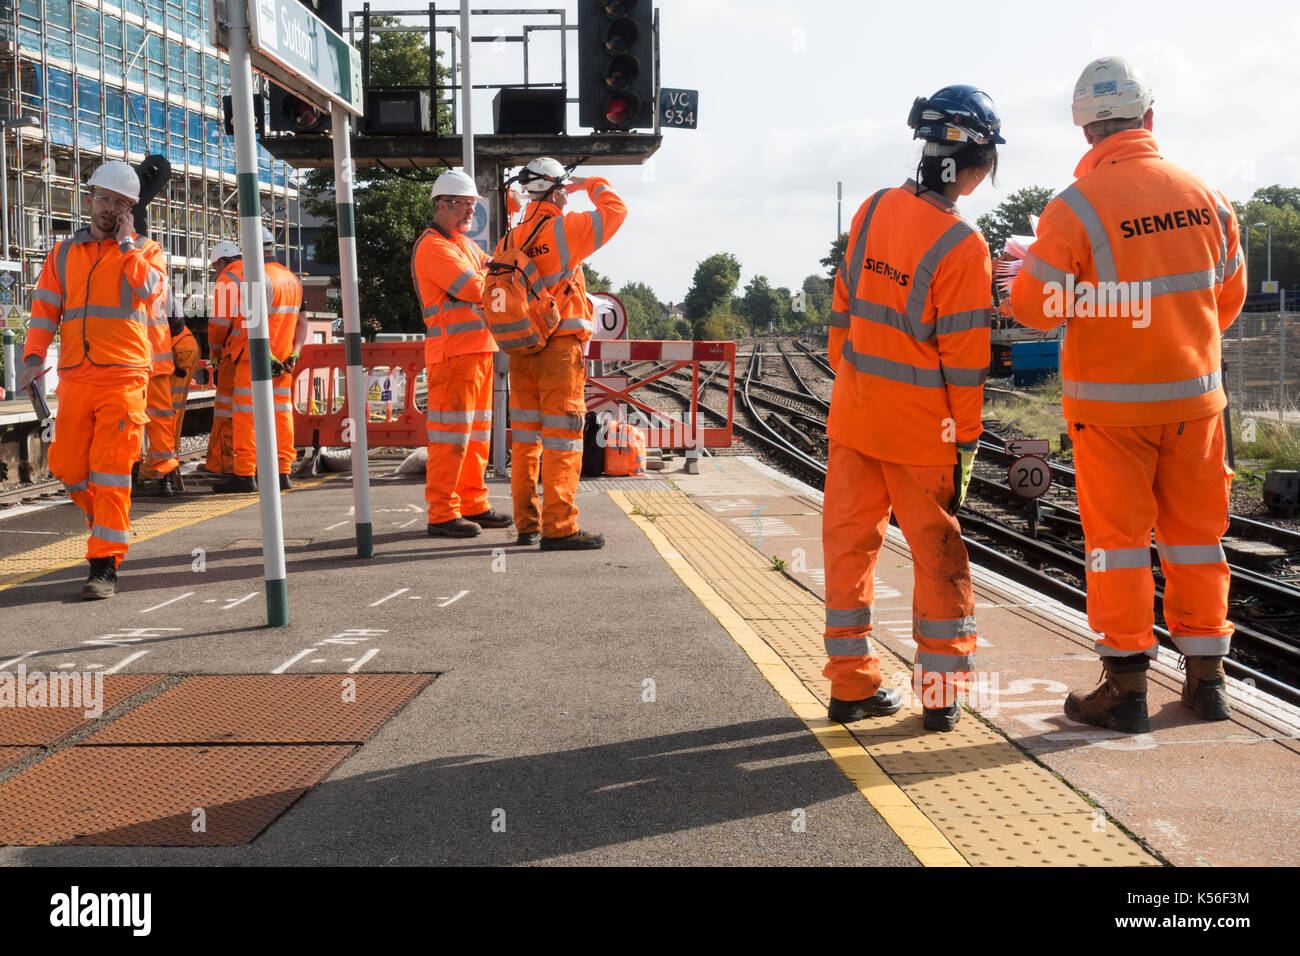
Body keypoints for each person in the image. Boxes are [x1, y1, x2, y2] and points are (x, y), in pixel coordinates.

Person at [1009, 57, 1246, 733]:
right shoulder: (1207, 195)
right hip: (1195, 409)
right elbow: (1224, 302)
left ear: (1085, 132)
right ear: (1149, 117)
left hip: (1112, 414)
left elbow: (1031, 306)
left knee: (1116, 545)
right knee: (1198, 541)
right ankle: (1208, 683)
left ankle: (1126, 688)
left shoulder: (1074, 208)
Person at [822, 86, 1000, 732]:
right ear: (975, 164)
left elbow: (842, 313)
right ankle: (940, 694)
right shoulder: (963, 248)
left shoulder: (872, 210)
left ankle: (850, 687)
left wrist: (856, 381)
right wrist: (968, 440)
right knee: (937, 557)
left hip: (854, 418)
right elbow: (965, 363)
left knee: (848, 550)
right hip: (923, 433)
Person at [19, 160, 168, 599]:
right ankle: (108, 522)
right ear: (89, 200)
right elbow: (45, 309)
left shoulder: (146, 251)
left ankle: (103, 564)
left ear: (131, 209)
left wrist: (126, 247)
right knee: (66, 465)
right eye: (104, 198)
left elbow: (150, 293)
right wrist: (31, 357)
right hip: (75, 376)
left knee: (111, 472)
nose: (109, 208)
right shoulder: (63, 253)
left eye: (120, 203)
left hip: (124, 375)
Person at [499, 157, 627, 549]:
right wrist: (589, 183)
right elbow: (616, 210)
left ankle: (527, 525)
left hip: (521, 349)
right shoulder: (566, 229)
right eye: (563, 192)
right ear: (557, 191)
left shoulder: (510, 238)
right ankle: (560, 528)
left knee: (525, 441)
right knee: (563, 439)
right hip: (558, 350)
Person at [410, 169, 511, 537]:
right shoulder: (433, 246)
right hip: (453, 356)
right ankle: (442, 513)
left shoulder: (464, 245)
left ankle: (473, 503)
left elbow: (496, 271)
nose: (470, 211)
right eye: (463, 205)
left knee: (476, 436)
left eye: (472, 204)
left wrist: (500, 273)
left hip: (479, 352)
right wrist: (497, 278)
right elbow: (474, 287)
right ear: (442, 204)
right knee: (451, 438)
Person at [207, 228, 306, 493]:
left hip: (254, 361)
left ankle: (244, 474)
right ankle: (283, 471)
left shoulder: (256, 278)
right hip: (284, 361)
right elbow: (302, 321)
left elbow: (253, 324)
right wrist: (294, 351)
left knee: (245, 418)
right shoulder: (292, 279)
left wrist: (264, 355)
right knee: (281, 415)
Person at [138, 290, 199, 495]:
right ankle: (165, 478)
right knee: (163, 416)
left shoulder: (109, 277)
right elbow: (177, 322)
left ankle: (133, 475)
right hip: (160, 360)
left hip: (131, 362)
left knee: (130, 419)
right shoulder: (159, 281)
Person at [205, 240, 240, 479]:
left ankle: (226, 465)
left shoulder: (228, 279)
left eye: (215, 267)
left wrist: (214, 353)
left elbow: (219, 324)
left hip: (234, 355)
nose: (216, 272)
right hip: (267, 354)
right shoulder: (259, 271)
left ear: (222, 262)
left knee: (226, 412)